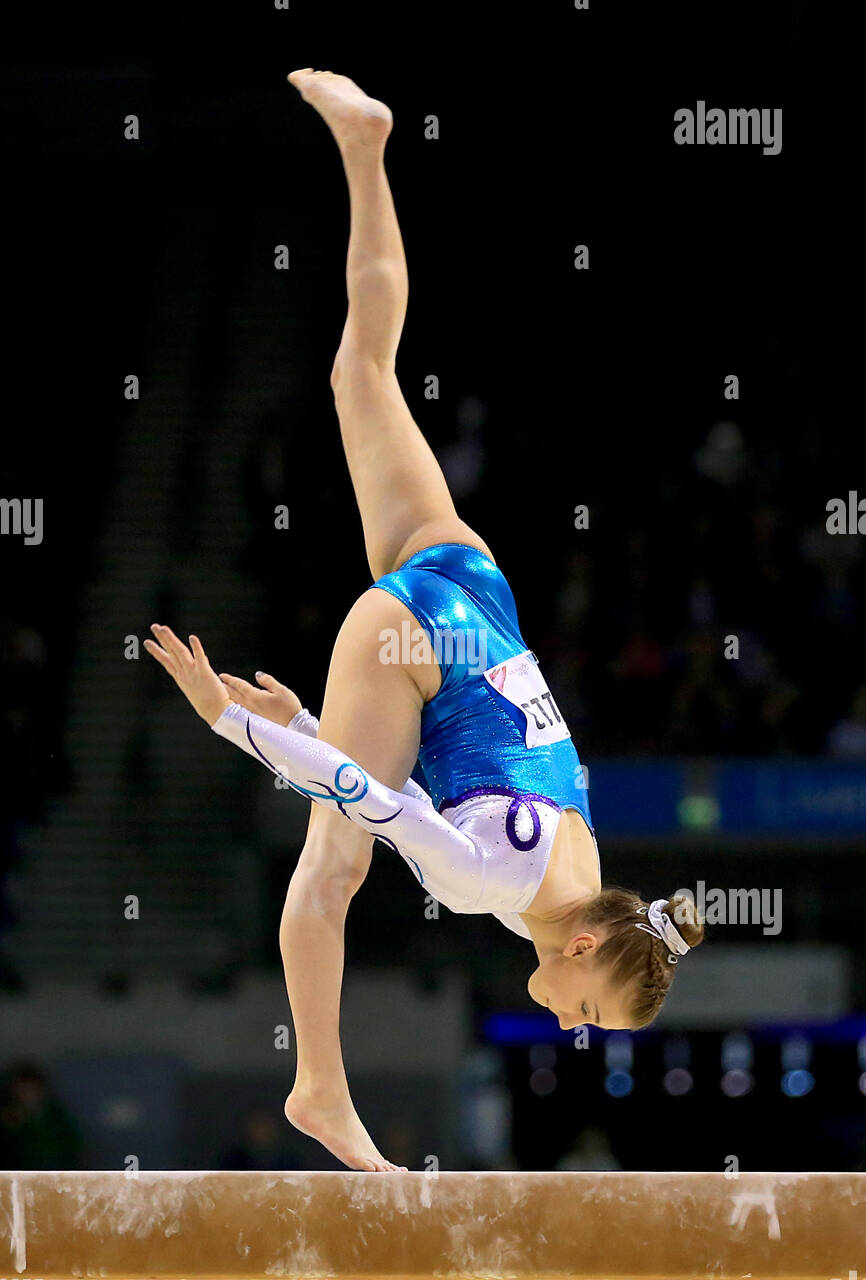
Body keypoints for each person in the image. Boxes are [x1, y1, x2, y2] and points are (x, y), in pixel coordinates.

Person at [145, 70, 704, 1171]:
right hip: (411, 638)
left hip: (468, 584)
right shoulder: (499, 884)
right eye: (589, 1008)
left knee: (363, 365)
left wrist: (314, 714)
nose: (571, 1023)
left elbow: (425, 767)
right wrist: (239, 725)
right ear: (586, 945)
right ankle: (316, 1086)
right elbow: (368, 793)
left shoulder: (583, 869)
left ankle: (364, 148)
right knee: (332, 870)